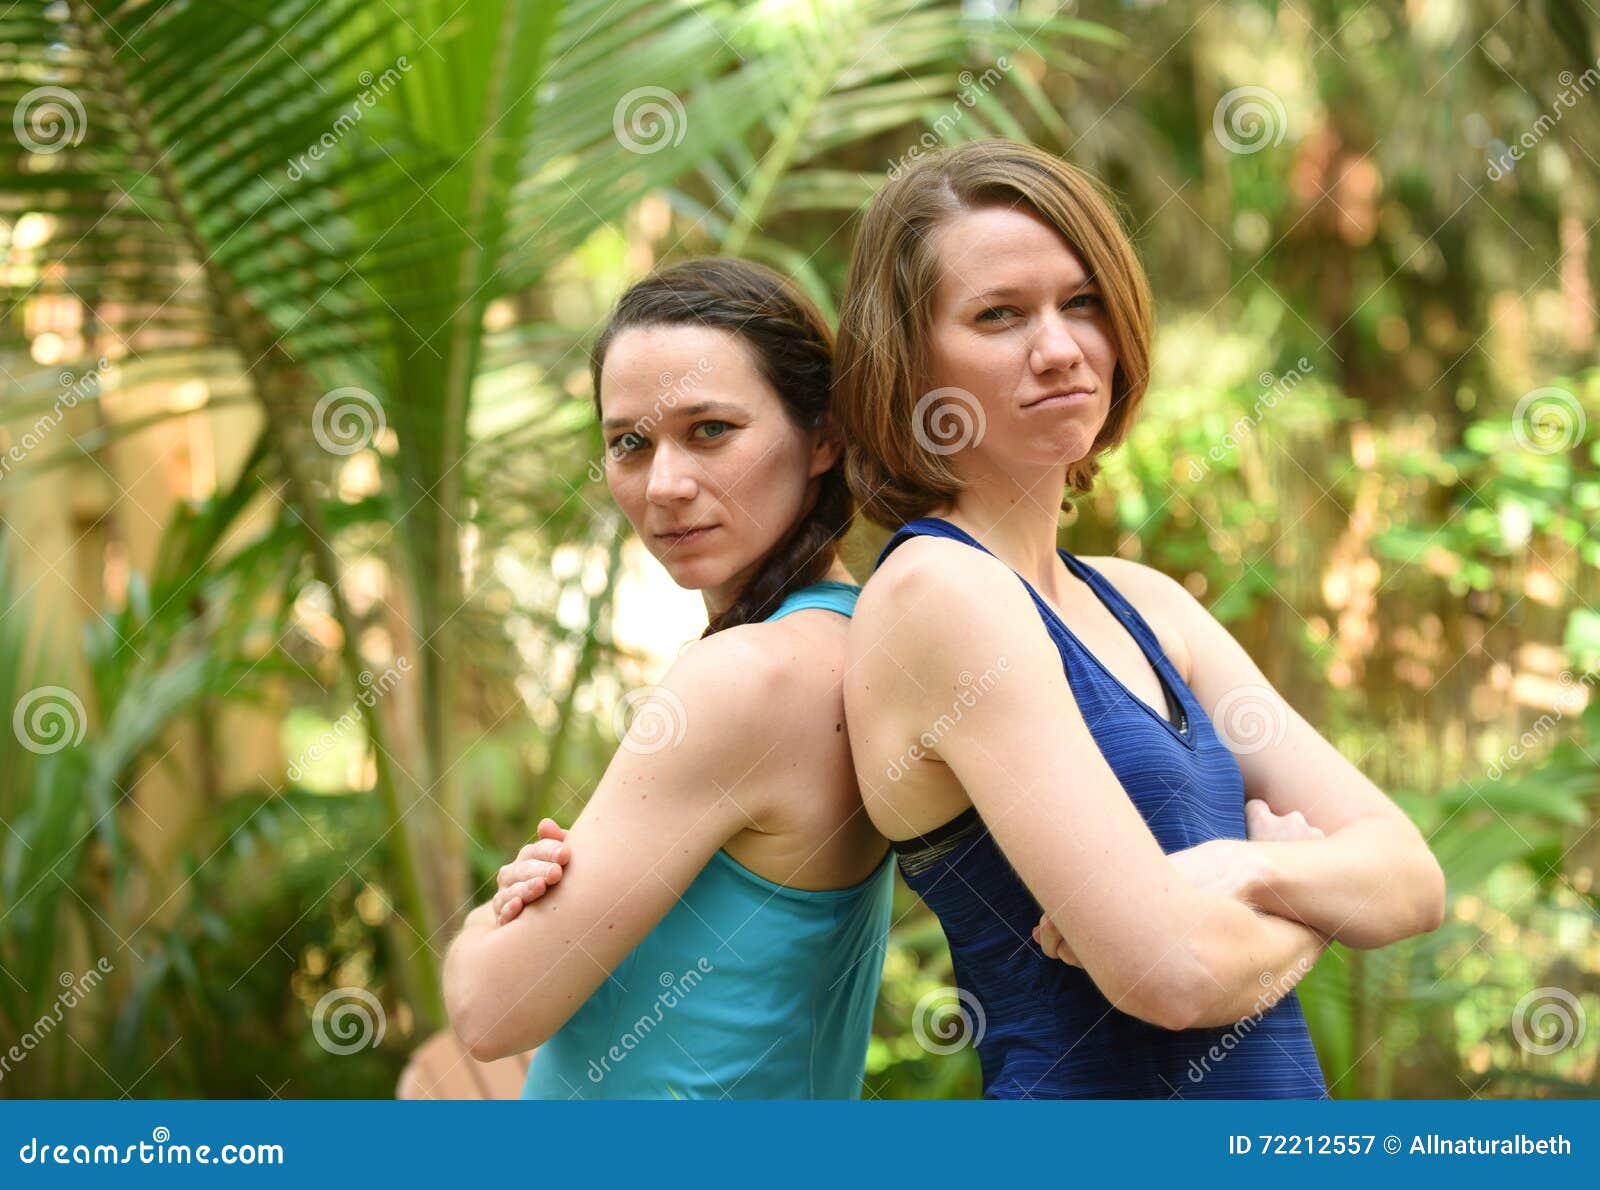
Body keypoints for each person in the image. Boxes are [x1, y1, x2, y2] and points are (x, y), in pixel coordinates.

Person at [833, 139, 1446, 1098]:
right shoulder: (938, 599)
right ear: (908, 366)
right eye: (999, 316)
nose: (1060, 348)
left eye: (1081, 303)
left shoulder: (1147, 603)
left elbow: (1410, 877)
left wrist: (1247, 874)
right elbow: (1170, 974)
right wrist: (1320, 902)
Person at [443, 259, 892, 1099]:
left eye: (711, 429)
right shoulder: (850, 636)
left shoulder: (747, 677)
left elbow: (491, 1010)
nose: (666, 486)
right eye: (630, 444)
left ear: (825, 435)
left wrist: (482, 928)